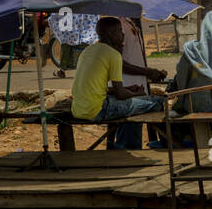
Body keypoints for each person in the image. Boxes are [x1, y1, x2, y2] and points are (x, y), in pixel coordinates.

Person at [71, 17, 165, 149]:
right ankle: (167, 144)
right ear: (111, 34)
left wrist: (129, 89)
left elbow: (97, 88)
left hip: (78, 109)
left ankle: (125, 145)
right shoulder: (113, 55)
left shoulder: (88, 50)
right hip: (98, 110)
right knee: (157, 102)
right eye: (120, 32)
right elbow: (121, 94)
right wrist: (136, 94)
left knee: (135, 107)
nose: (123, 35)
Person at [51, 11, 98, 78]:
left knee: (66, 44)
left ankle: (62, 70)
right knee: (85, 43)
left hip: (72, 22)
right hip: (85, 22)